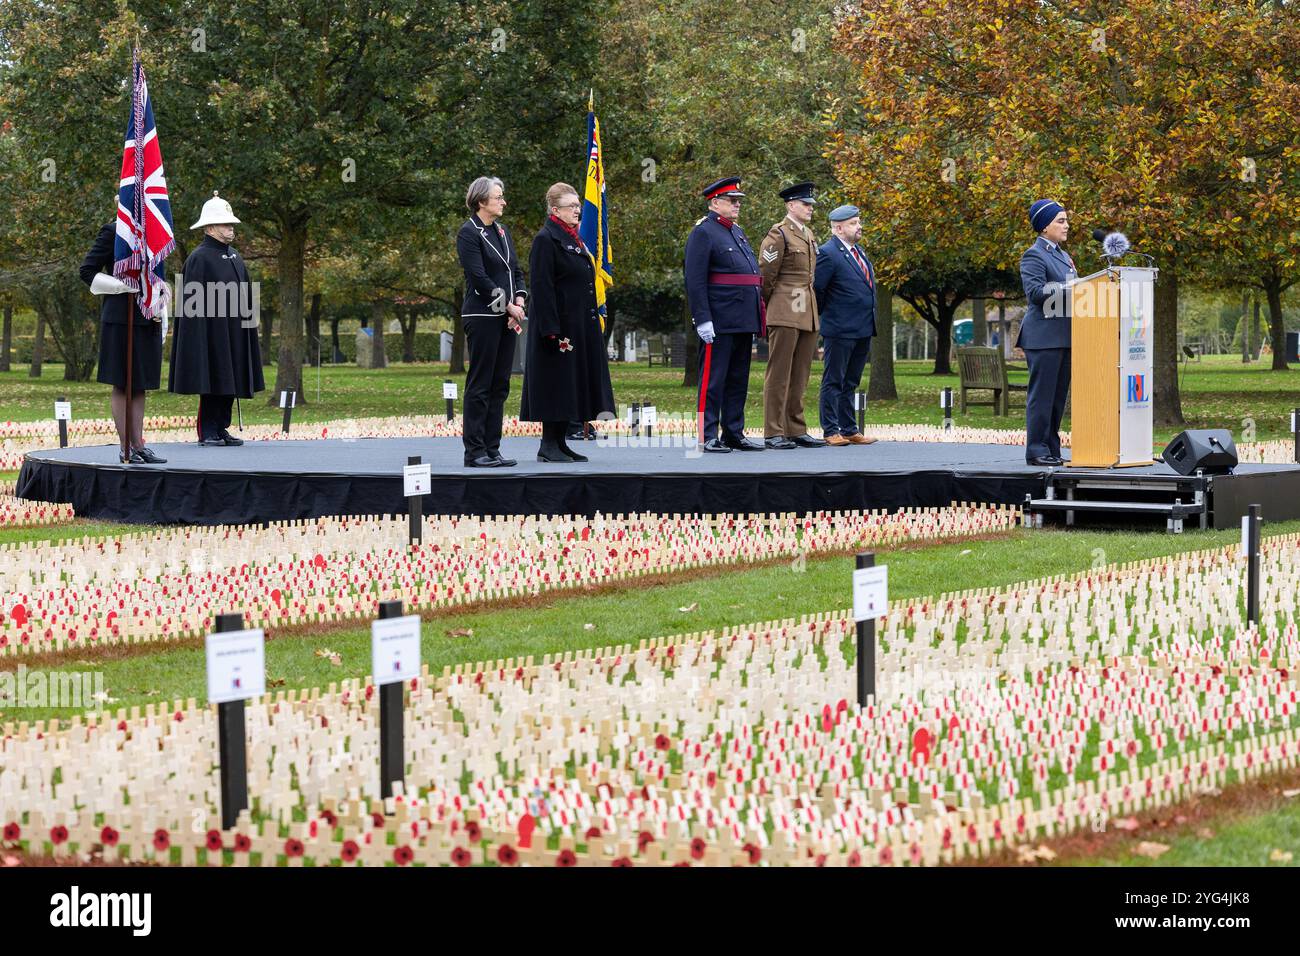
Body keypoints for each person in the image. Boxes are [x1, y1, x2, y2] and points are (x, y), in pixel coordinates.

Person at [519, 183, 616, 462]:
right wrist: (551, 330)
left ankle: (560, 443)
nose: (577, 210)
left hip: (578, 324)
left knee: (570, 384)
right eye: (571, 206)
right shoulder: (546, 239)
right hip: (557, 328)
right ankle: (548, 444)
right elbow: (543, 286)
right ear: (555, 210)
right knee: (556, 383)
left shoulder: (572, 238)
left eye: (578, 206)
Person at [169, 191, 264, 445]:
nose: (230, 228)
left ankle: (222, 426)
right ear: (210, 227)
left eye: (231, 223)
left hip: (234, 330)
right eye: (224, 223)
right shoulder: (199, 258)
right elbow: (192, 305)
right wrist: (200, 337)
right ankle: (208, 430)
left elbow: (244, 294)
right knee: (212, 377)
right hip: (210, 331)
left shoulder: (235, 256)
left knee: (231, 378)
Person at [683, 177, 764, 453]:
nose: (737, 204)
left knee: (738, 379)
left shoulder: (736, 231)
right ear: (715, 203)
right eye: (732, 200)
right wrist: (702, 318)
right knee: (713, 380)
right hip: (719, 318)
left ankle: (733, 432)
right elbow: (695, 280)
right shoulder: (704, 232)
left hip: (742, 318)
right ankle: (706, 435)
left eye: (738, 200)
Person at [80, 218, 168, 464]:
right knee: (122, 382)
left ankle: (138, 444)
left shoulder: (155, 233)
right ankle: (125, 447)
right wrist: (120, 287)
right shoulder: (112, 231)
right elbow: (87, 271)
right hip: (120, 317)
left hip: (147, 315)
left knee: (140, 384)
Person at [456, 176, 527, 468]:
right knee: (481, 384)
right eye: (498, 197)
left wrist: (519, 302)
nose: (503, 201)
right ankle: (474, 451)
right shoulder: (468, 233)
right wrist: (508, 307)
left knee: (500, 384)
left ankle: (492, 447)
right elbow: (479, 279)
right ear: (482, 201)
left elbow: (516, 272)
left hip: (507, 316)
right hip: (483, 315)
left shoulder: (502, 231)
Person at [759, 181, 824, 449]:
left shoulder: (807, 234)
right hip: (785, 310)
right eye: (805, 204)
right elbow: (765, 276)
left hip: (807, 311)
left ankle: (795, 428)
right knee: (779, 373)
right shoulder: (779, 234)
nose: (810, 208)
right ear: (790, 205)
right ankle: (774, 431)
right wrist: (774, 305)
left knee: (800, 373)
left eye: (811, 204)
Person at [814, 205, 879, 446]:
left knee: (851, 381)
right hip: (840, 328)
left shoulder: (859, 252)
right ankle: (831, 430)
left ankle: (849, 428)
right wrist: (829, 316)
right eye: (853, 223)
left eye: (858, 222)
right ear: (838, 228)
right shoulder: (828, 253)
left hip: (862, 327)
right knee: (834, 380)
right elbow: (818, 289)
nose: (859, 226)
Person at [1017, 199, 1074, 466]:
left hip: (1064, 336)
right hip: (1043, 337)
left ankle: (1052, 447)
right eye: (1060, 221)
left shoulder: (1063, 256)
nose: (1066, 225)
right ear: (1044, 227)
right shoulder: (1034, 255)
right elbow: (1036, 293)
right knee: (1042, 397)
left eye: (1066, 220)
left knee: (1057, 399)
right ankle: (1036, 450)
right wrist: (1072, 289)